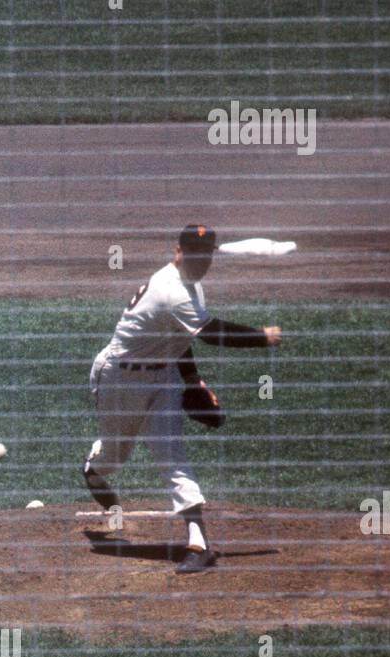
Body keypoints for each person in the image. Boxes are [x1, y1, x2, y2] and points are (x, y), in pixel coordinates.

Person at [82, 223, 282, 573]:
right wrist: (261, 337)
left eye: (206, 255)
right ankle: (95, 468)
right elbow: (210, 334)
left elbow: (181, 339)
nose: (200, 261)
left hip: (163, 379)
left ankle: (198, 543)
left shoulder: (192, 287)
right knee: (117, 455)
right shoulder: (169, 289)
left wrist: (193, 381)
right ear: (178, 251)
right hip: (119, 379)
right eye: (194, 254)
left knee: (171, 455)